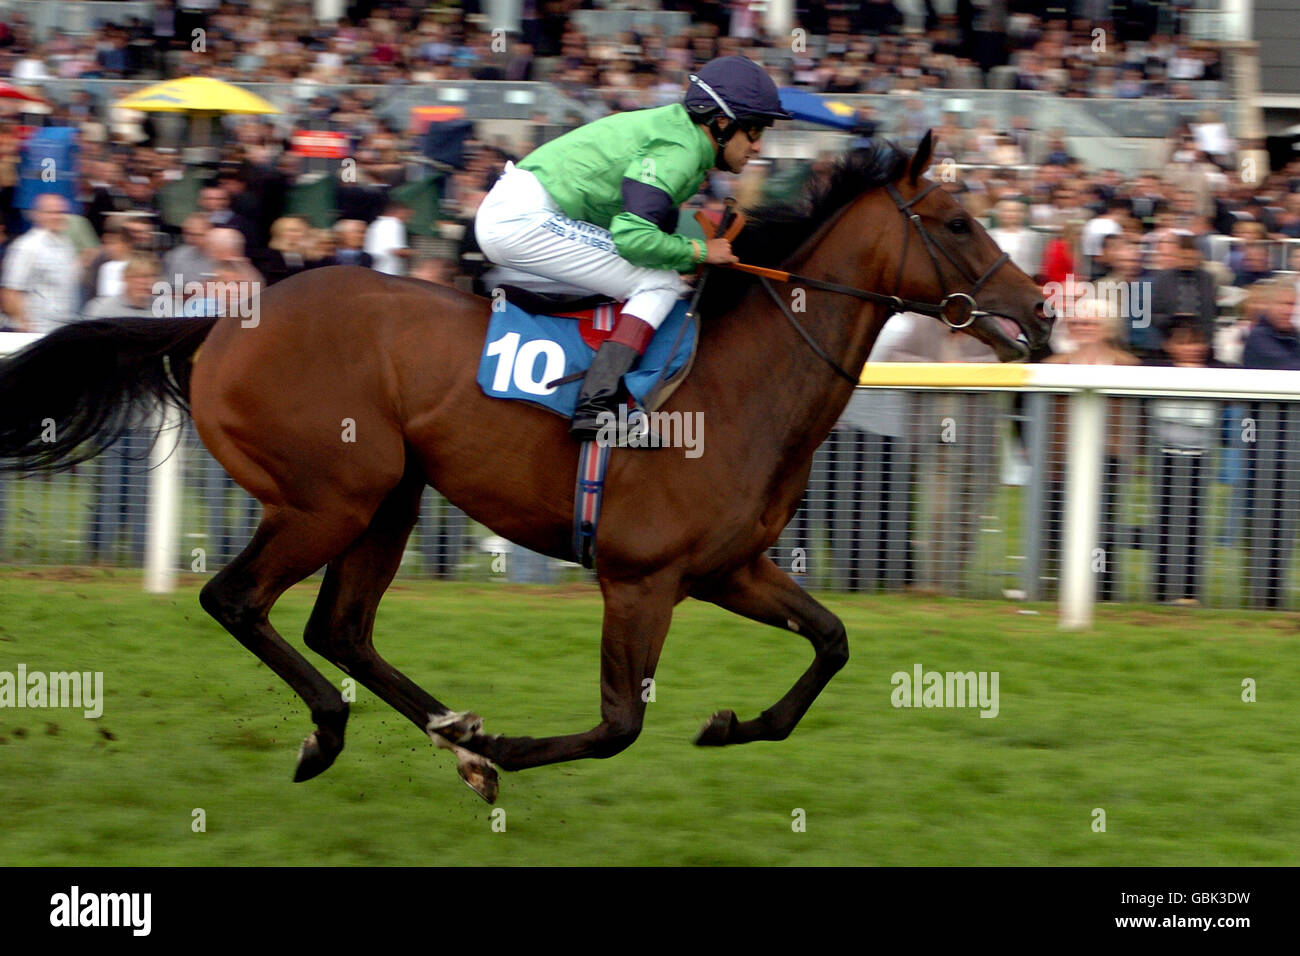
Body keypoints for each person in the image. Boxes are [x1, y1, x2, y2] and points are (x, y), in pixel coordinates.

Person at [474, 54, 790, 439]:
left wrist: (684, 253)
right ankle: (596, 406)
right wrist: (701, 252)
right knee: (659, 282)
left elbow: (645, 229)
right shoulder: (680, 149)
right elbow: (633, 238)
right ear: (721, 123)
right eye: (755, 130)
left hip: (523, 211)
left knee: (663, 273)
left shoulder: (679, 136)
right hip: (522, 218)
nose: (758, 146)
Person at [1, 193, 81, 334]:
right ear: (38, 215)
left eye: (61, 212)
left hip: (62, 329)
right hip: (37, 331)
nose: (57, 217)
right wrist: (24, 327)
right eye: (51, 212)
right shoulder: (27, 246)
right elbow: (10, 292)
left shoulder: (67, 245)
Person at [364, 201, 412, 275]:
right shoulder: (394, 223)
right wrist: (414, 253)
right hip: (389, 273)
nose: (407, 219)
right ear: (399, 212)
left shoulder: (375, 224)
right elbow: (396, 250)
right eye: (406, 215)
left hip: (373, 271)